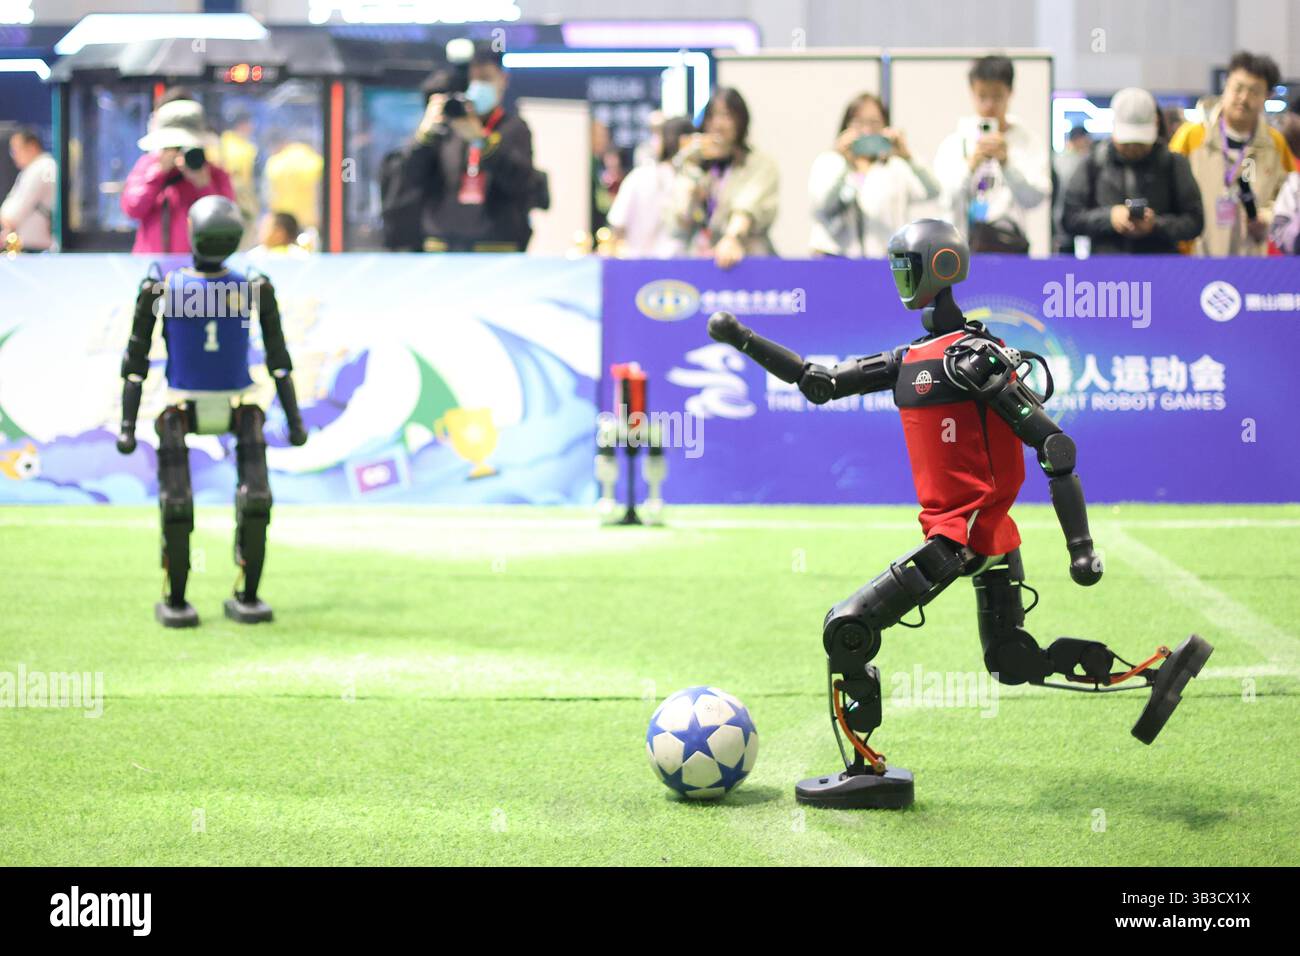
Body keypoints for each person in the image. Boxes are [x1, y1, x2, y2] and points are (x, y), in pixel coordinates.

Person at [705, 218, 1213, 809]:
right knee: (1011, 659)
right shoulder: (913, 358)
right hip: (971, 535)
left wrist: (1080, 545)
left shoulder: (974, 359)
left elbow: (1053, 445)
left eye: (908, 266)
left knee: (848, 629)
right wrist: (743, 338)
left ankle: (867, 771)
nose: (900, 277)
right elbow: (819, 383)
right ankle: (1151, 672)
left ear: (940, 268)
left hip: (965, 536)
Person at [115, 195, 308, 628]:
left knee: (244, 500)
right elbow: (279, 361)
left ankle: (235, 594)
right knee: (186, 504)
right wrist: (295, 421)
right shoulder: (250, 286)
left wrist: (128, 425)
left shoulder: (166, 286)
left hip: (215, 404)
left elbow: (135, 365)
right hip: (200, 404)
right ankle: (191, 597)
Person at [403, 40, 540, 253]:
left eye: (485, 78)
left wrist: (482, 141)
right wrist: (423, 137)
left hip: (497, 249)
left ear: (503, 80)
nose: (477, 86)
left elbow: (523, 183)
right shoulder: (445, 126)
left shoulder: (514, 129)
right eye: (472, 80)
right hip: (442, 248)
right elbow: (409, 179)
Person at [1169, 50, 1297, 256]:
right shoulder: (1191, 136)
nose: (1244, 98)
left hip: (1252, 259)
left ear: (1268, 96)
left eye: (1255, 91)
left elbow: (1289, 199)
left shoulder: (1275, 144)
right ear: (1226, 84)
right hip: (1193, 259)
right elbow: (1169, 190)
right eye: (1238, 88)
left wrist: (1266, 217)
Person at [1061, 88, 1203, 255]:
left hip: (1161, 269)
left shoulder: (1173, 164)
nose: (1133, 148)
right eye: (1127, 142)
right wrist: (1109, 218)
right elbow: (1069, 218)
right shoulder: (1093, 163)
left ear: (1156, 125)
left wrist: (1156, 225)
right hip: (1105, 274)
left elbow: (1195, 221)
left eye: (1140, 142)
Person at [933, 55, 1050, 253]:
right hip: (964, 251)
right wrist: (970, 166)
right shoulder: (956, 143)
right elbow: (944, 199)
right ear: (972, 92)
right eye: (982, 96)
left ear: (1010, 92)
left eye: (997, 96)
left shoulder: (1028, 142)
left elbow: (1035, 199)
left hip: (1012, 248)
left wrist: (1007, 164)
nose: (989, 105)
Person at [808, 93, 939, 257]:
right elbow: (822, 203)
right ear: (846, 126)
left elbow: (934, 191)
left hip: (883, 260)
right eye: (859, 123)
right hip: (834, 258)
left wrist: (908, 156)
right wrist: (844, 160)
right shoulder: (830, 161)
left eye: (874, 123)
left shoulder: (895, 166)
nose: (867, 130)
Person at [668, 87, 780, 269]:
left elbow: (747, 208)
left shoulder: (759, 164)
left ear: (740, 121)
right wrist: (691, 182)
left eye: (726, 115)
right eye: (712, 117)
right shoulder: (696, 165)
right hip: (701, 260)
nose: (718, 125)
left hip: (747, 259)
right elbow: (678, 221)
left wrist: (732, 238)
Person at [120, 96, 236, 255]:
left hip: (199, 272)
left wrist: (204, 186)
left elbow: (226, 224)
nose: (180, 151)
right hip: (154, 268)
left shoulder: (215, 174)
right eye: (173, 145)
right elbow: (133, 209)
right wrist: (158, 174)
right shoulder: (147, 167)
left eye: (188, 146)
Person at [606, 116, 694, 258]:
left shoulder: (638, 176)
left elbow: (617, 225)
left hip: (639, 266)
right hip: (680, 269)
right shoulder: (692, 180)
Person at [1, 128, 56, 252]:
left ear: (32, 147)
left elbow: (12, 216)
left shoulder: (39, 168)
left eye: (16, 150)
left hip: (37, 251)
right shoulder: (38, 167)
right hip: (35, 249)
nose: (14, 156)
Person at [1052, 125, 1092, 252]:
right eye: (1085, 140)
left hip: (1080, 217)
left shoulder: (1086, 160)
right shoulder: (1064, 160)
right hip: (1064, 218)